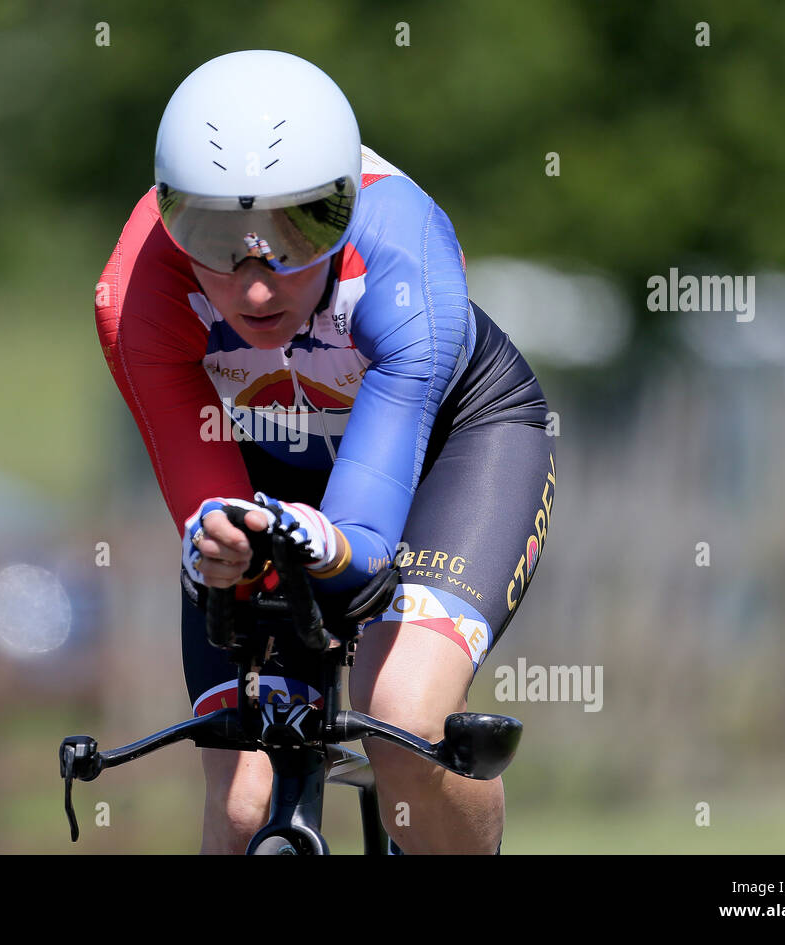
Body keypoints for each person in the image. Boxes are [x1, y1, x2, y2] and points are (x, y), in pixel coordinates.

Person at [95, 49, 554, 854]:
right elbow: (202, 504)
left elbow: (364, 551)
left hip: (453, 446)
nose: (256, 286)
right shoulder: (138, 290)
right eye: (214, 236)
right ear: (169, 215)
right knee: (244, 803)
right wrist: (227, 546)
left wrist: (318, 544)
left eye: (294, 231)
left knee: (404, 717)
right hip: (269, 464)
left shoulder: (403, 256)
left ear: (342, 210)